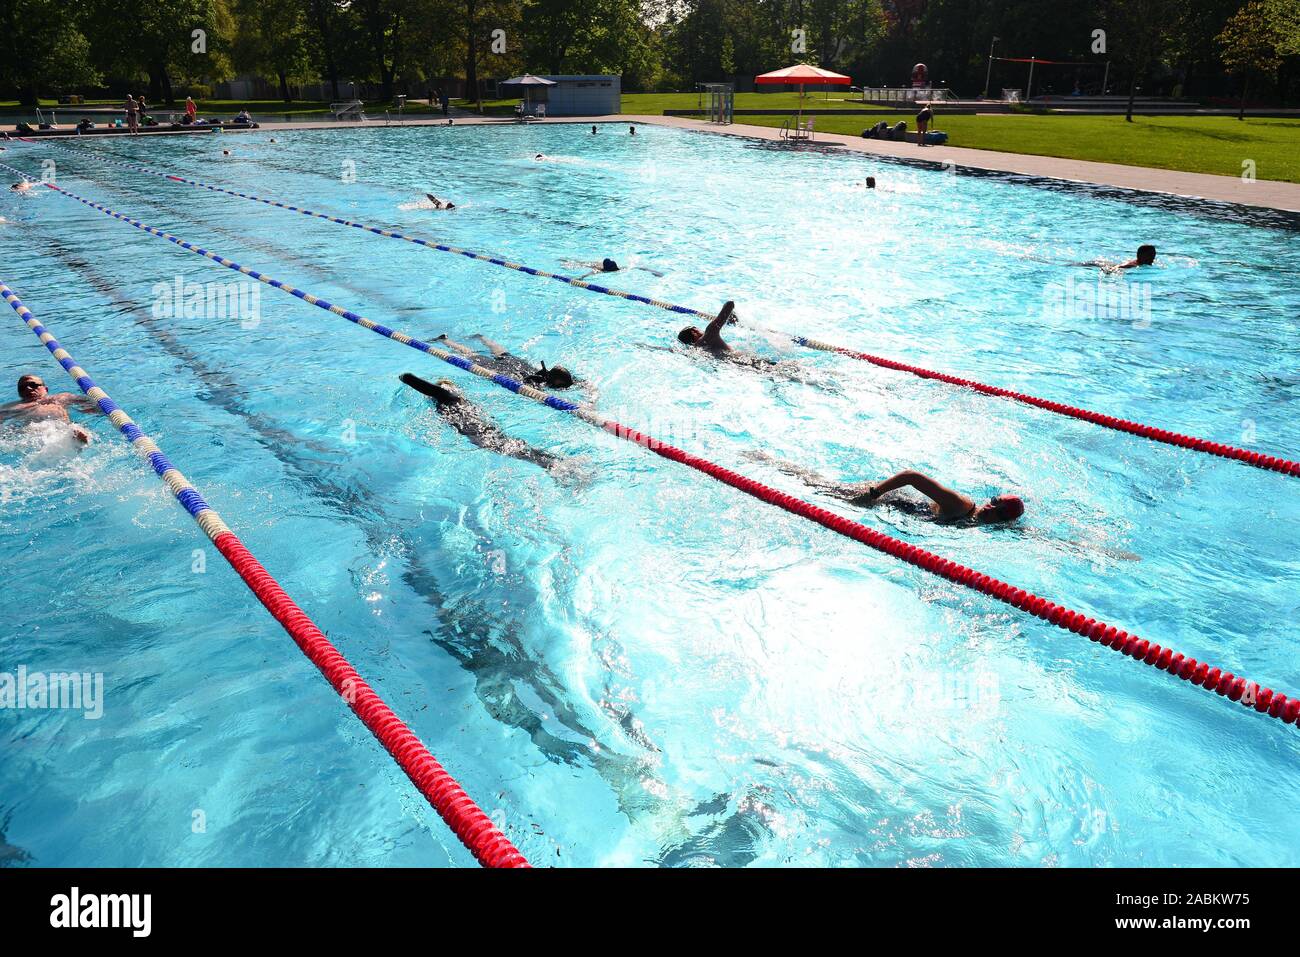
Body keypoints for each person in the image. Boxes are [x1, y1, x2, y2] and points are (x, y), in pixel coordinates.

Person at [748, 454, 1024, 525]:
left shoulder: (981, 524)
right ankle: (767, 462)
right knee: (817, 486)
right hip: (887, 498)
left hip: (893, 505)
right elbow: (911, 475)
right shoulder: (960, 506)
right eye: (994, 501)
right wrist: (872, 495)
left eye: (998, 510)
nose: (991, 507)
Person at [399, 373, 562, 469]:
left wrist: (405, 378)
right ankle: (554, 464)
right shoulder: (454, 400)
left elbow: (426, 387)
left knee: (516, 450)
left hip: (479, 432)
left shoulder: (449, 397)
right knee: (518, 450)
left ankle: (556, 465)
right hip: (479, 432)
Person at [435, 334, 575, 389]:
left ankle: (482, 338)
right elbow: (524, 382)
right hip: (507, 371)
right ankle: (444, 340)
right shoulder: (539, 381)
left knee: (503, 353)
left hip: (519, 365)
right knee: (471, 355)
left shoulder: (543, 375)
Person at [0, 375, 99, 443]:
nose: (28, 388)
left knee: (76, 430)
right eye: (22, 388)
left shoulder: (61, 398)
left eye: (33, 385)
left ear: (45, 389)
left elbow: (94, 407)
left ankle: (78, 442)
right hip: (27, 437)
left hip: (60, 433)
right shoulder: (9, 407)